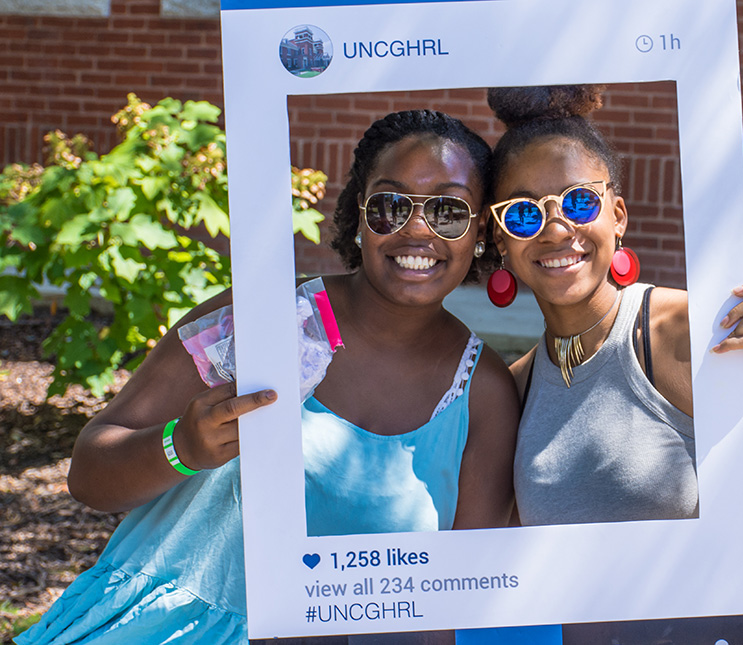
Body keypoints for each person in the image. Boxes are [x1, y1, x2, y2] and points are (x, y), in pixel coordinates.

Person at [17, 109, 519, 644]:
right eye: (390, 205)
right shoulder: (260, 319)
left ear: (481, 232)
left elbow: (455, 605)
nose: (416, 229)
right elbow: (89, 474)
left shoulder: (482, 393)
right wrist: (181, 447)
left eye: (448, 211)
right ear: (358, 214)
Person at [483, 85, 743, 644]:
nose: (556, 229)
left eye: (579, 202)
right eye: (523, 213)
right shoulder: (514, 387)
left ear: (617, 216)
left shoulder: (688, 332)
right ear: (500, 239)